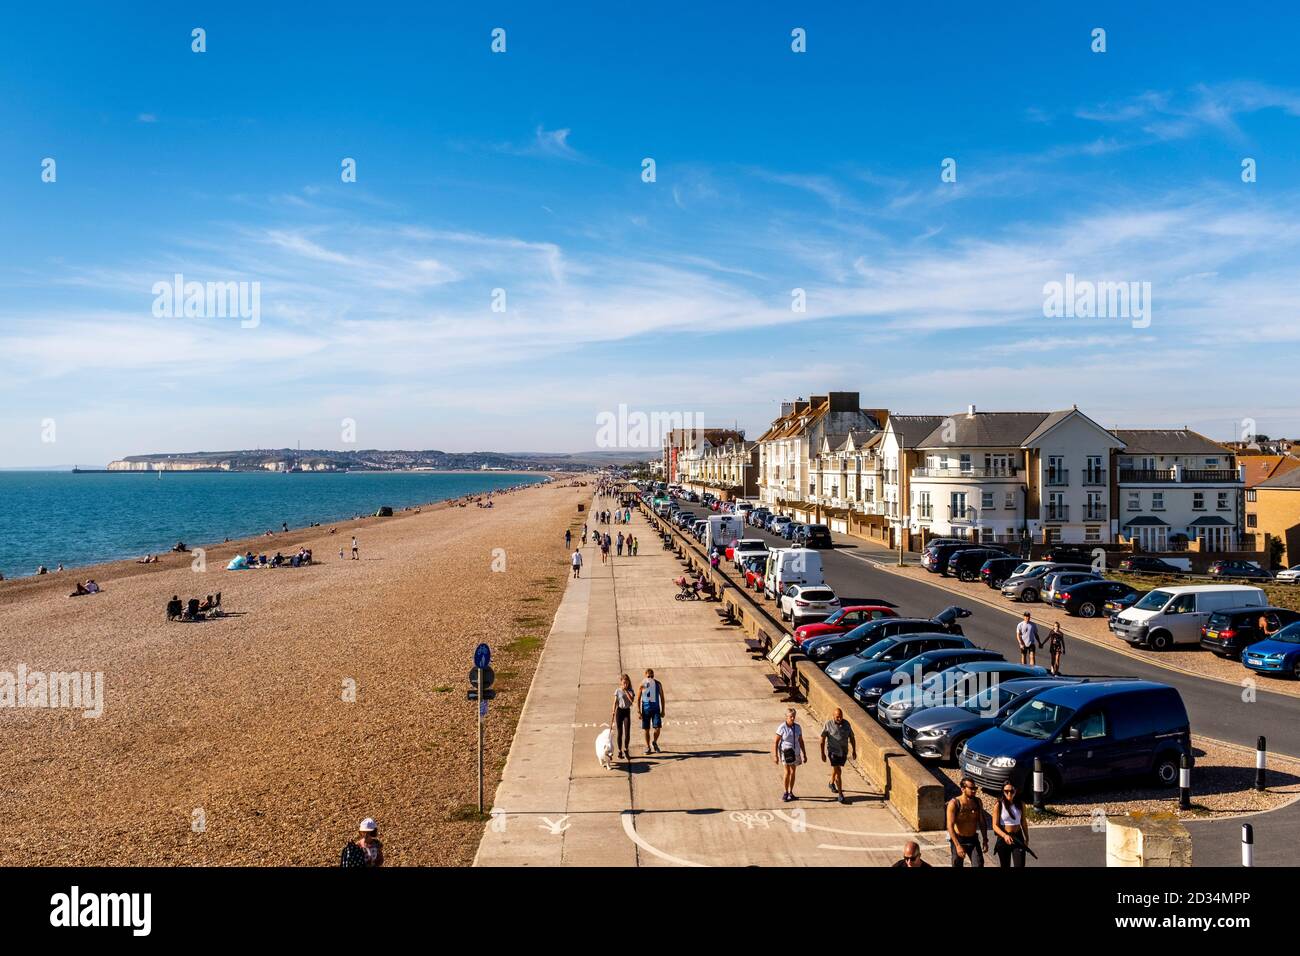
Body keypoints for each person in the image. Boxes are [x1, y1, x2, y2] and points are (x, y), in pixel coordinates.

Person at [947, 778, 988, 867]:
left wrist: (985, 839)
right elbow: (950, 826)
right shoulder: (954, 803)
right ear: (963, 789)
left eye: (975, 788)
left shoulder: (978, 802)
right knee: (957, 864)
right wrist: (957, 846)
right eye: (971, 788)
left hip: (973, 839)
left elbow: (982, 822)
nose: (974, 791)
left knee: (979, 864)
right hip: (958, 839)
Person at [820, 707, 857, 803]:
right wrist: (822, 753)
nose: (839, 718)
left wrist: (854, 751)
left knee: (835, 768)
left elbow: (852, 737)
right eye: (837, 717)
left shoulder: (847, 724)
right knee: (838, 771)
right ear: (833, 716)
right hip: (833, 751)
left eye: (840, 717)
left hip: (843, 752)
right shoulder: (828, 725)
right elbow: (822, 740)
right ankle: (840, 794)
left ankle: (831, 783)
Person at [992, 781, 1031, 867]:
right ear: (1003, 791)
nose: (1009, 793)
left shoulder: (1021, 804)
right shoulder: (999, 805)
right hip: (1004, 838)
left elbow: (1023, 822)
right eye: (1006, 791)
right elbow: (994, 826)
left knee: (1020, 864)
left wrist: (1027, 837)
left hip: (1018, 837)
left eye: (1012, 791)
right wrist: (1004, 835)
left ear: (1015, 791)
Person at [773, 707, 807, 802]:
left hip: (795, 752)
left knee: (793, 772)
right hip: (786, 752)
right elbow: (776, 742)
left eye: (794, 716)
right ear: (786, 717)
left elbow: (801, 741)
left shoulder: (798, 727)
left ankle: (791, 792)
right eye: (791, 717)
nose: (792, 718)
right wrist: (775, 755)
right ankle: (785, 792)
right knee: (787, 772)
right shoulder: (782, 727)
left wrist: (804, 753)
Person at [636, 668, 666, 754]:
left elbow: (662, 697)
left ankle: (655, 742)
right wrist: (639, 711)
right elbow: (638, 699)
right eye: (649, 676)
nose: (650, 678)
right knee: (646, 729)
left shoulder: (658, 684)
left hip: (656, 709)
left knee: (657, 728)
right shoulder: (642, 684)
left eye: (652, 676)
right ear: (645, 676)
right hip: (646, 709)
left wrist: (663, 710)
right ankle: (648, 746)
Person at [611, 674, 635, 760]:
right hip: (619, 711)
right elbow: (615, 702)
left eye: (627, 683)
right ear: (621, 682)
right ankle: (620, 751)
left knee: (627, 732)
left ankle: (626, 749)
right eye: (624, 683)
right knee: (620, 733)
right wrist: (613, 710)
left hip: (626, 712)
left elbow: (631, 700)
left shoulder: (631, 690)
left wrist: (626, 691)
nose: (625, 684)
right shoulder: (617, 691)